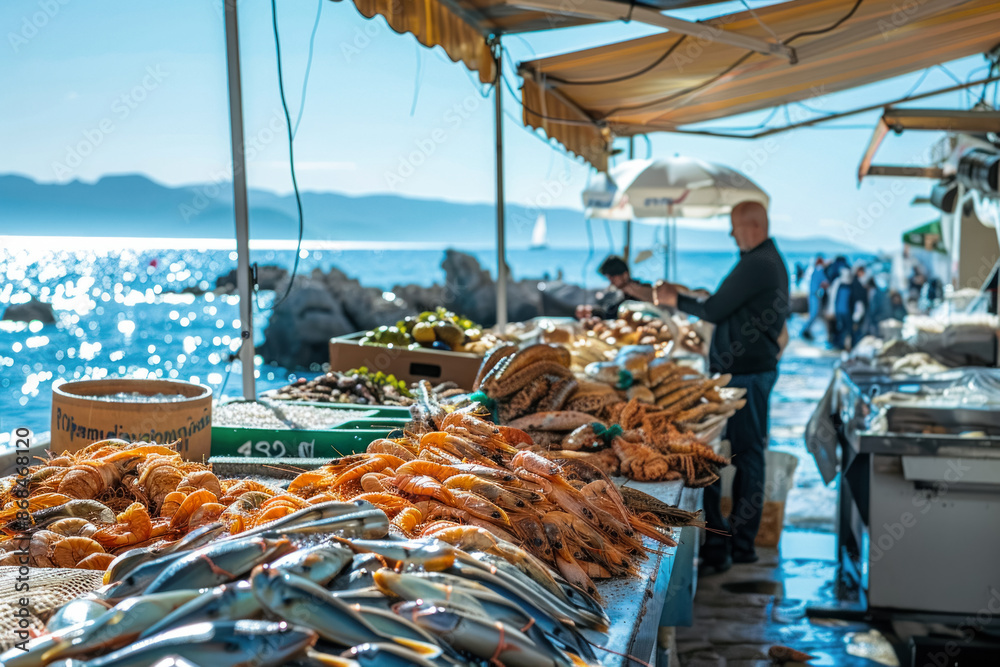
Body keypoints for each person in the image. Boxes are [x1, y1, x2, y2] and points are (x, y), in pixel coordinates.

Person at [652, 201, 789, 574]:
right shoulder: (765, 261)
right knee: (734, 455)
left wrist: (675, 300)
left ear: (754, 226)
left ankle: (731, 547)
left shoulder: (758, 262)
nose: (730, 234)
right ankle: (726, 544)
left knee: (736, 456)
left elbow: (714, 309)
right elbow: (730, 309)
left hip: (746, 375)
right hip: (747, 371)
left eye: (734, 226)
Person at [577, 255, 654, 319]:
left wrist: (628, 287)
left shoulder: (642, 288)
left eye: (613, 277)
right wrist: (592, 310)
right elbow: (611, 312)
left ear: (625, 274)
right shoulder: (621, 293)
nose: (611, 281)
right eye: (609, 278)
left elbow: (653, 298)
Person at [801, 255, 827, 341]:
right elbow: (825, 282)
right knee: (813, 314)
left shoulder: (814, 270)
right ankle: (805, 331)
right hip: (815, 296)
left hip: (812, 295)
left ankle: (806, 331)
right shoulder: (819, 269)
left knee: (813, 315)